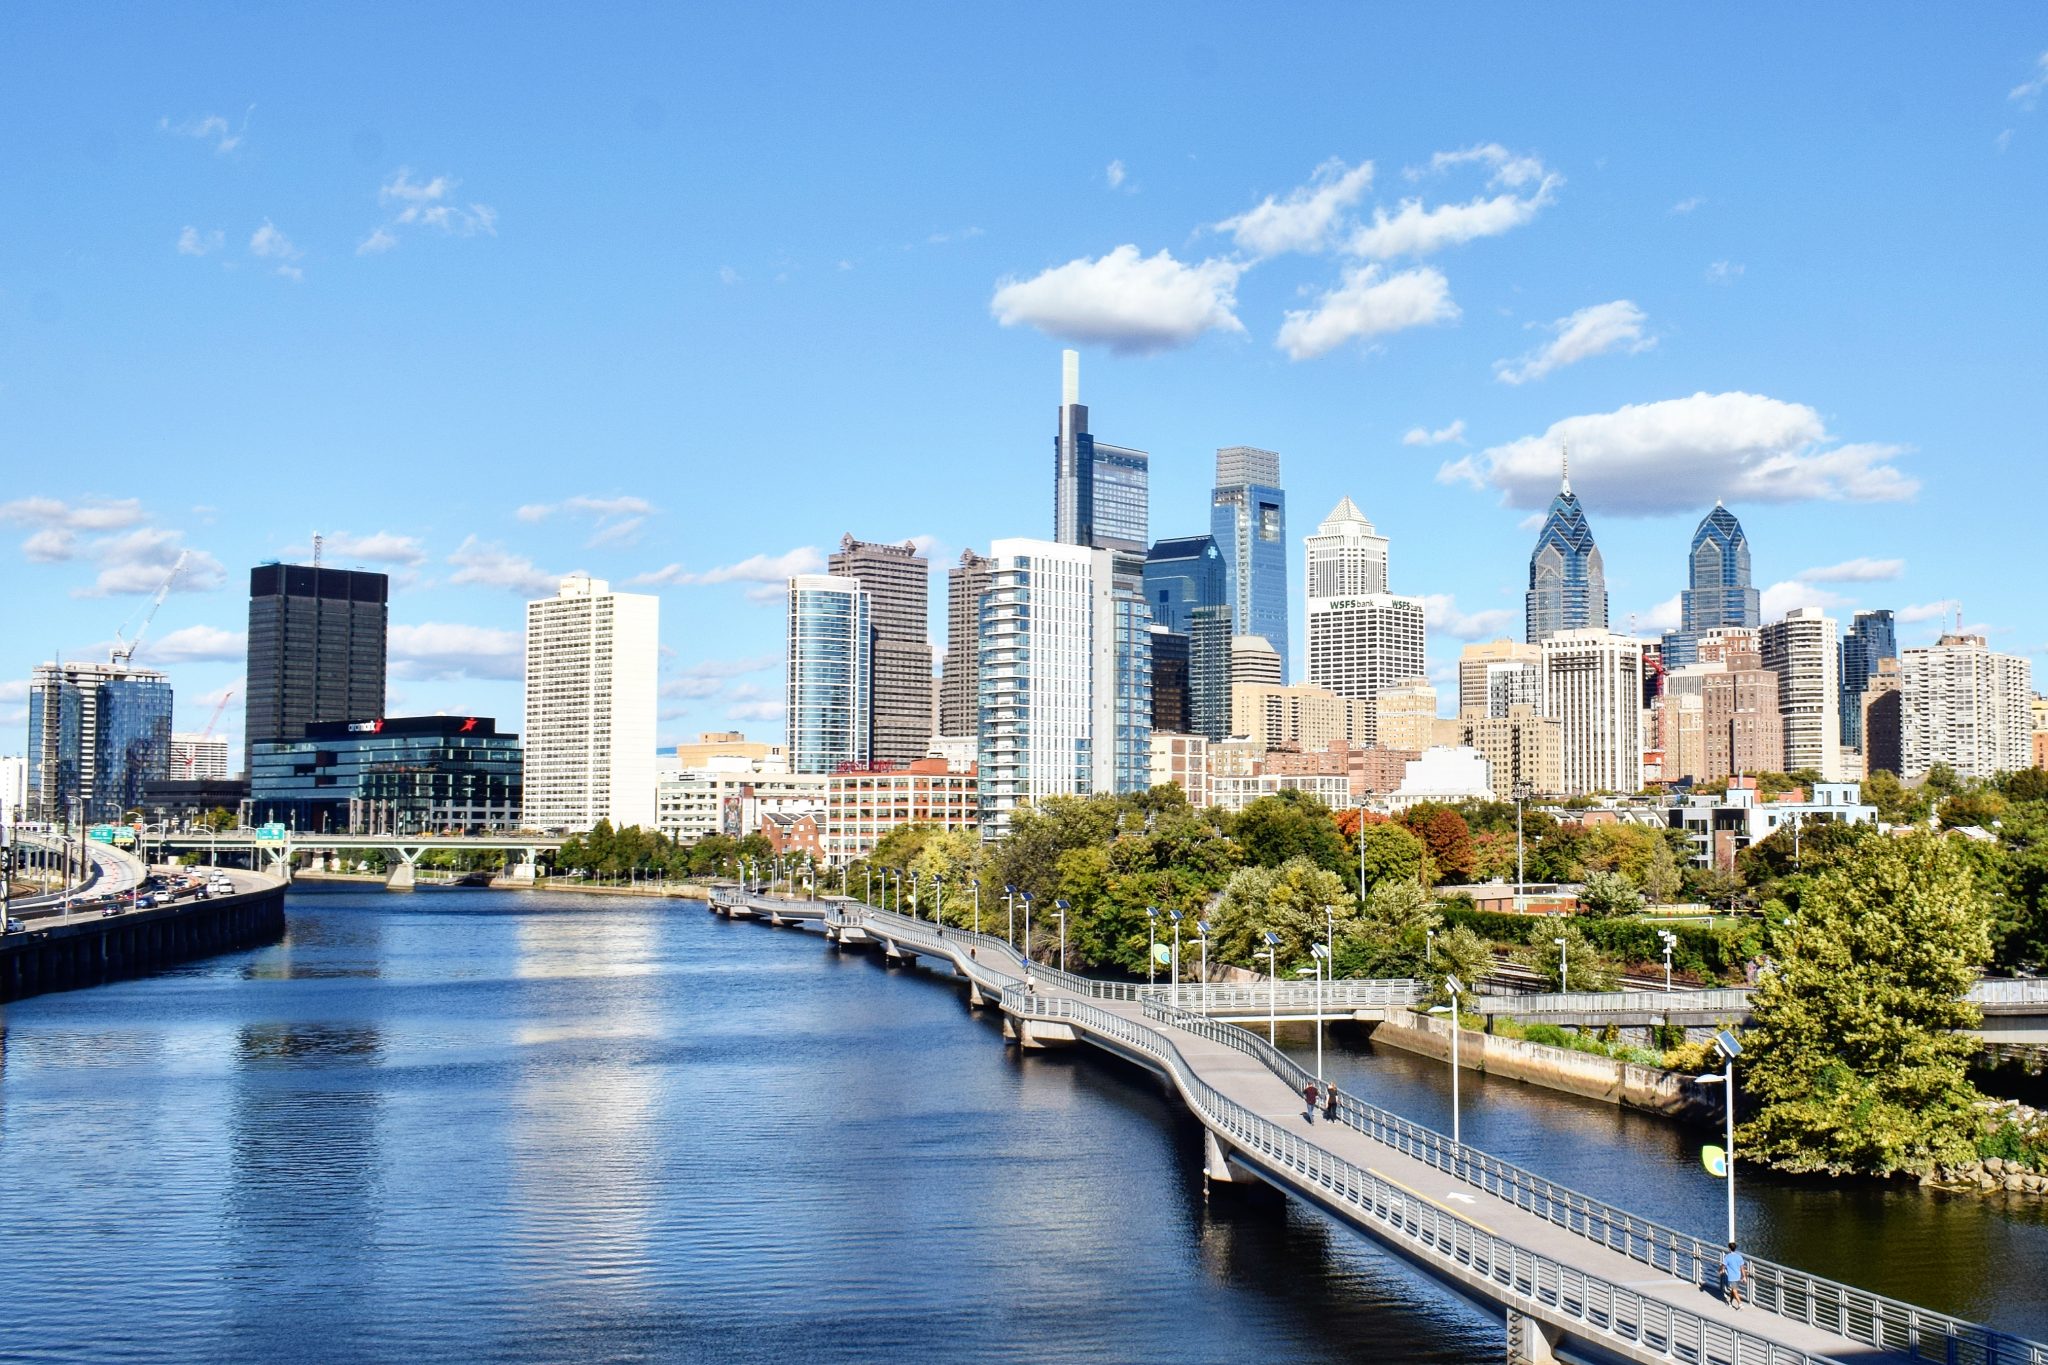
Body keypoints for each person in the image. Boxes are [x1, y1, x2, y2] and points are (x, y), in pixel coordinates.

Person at [1720, 1242, 1749, 1309]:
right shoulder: (1739, 1257)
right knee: (1733, 1290)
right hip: (1738, 1276)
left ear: (1729, 1248)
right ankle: (1730, 1302)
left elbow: (1723, 1266)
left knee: (1734, 1290)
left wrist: (1721, 1271)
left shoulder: (1727, 1257)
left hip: (1731, 1277)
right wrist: (1744, 1276)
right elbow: (1742, 1268)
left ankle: (1740, 1304)